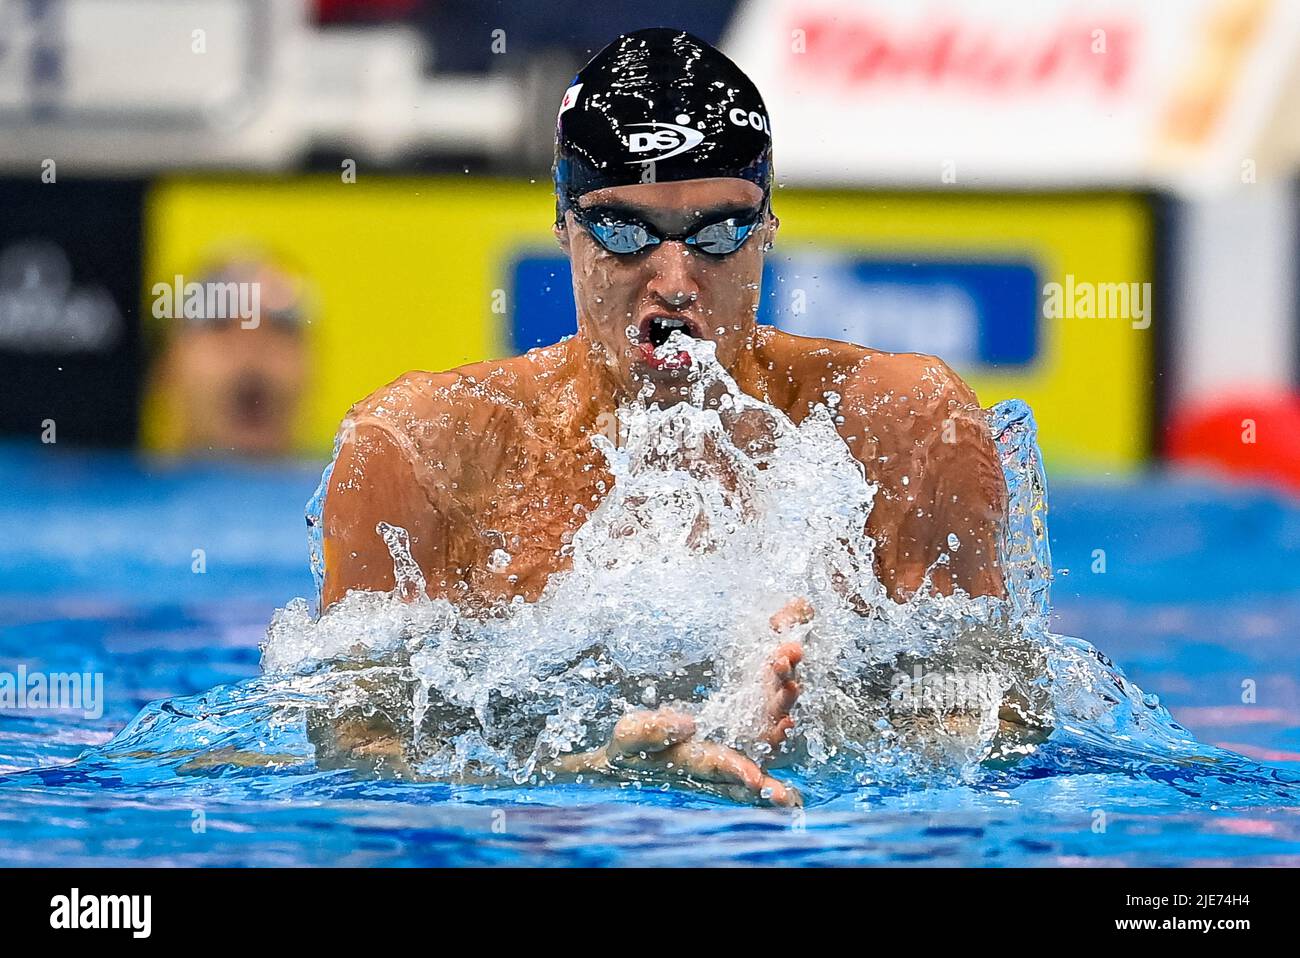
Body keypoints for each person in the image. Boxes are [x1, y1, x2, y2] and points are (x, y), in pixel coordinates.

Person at [315, 28, 1009, 806]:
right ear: (562, 225)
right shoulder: (420, 448)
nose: (675, 281)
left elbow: (995, 724)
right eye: (622, 230)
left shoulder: (902, 422)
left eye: (719, 230)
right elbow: (358, 752)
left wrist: (837, 715)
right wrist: (587, 774)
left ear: (770, 225)